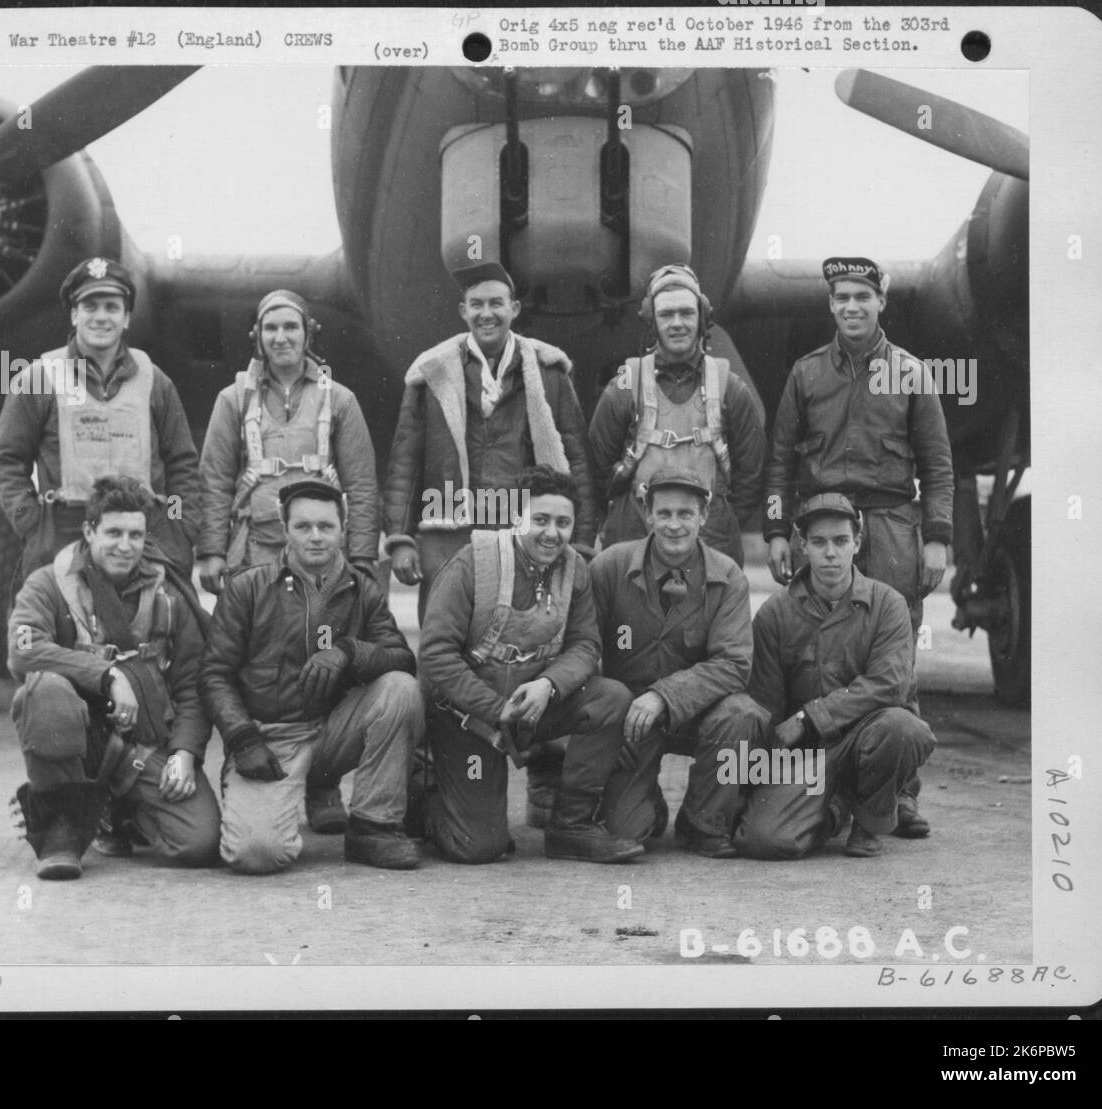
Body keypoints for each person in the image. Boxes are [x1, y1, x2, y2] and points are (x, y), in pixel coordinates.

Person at [762, 256, 953, 838]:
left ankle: (901, 794)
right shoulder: (806, 374)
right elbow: (780, 459)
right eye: (841, 297)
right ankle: (815, 774)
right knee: (819, 645)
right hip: (825, 520)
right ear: (830, 304)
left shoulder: (911, 373)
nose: (851, 307)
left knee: (898, 660)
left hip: (891, 521)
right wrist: (775, 529)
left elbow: (938, 465)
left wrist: (937, 538)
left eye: (862, 297)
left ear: (881, 302)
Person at [196, 290, 381, 834]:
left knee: (329, 661)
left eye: (292, 328)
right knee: (259, 665)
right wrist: (210, 548)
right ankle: (249, 759)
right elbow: (213, 479)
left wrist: (364, 557)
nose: (281, 337)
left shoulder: (339, 400)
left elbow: (363, 484)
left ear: (309, 334)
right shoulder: (234, 399)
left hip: (323, 553)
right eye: (271, 328)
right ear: (258, 335)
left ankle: (322, 783)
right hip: (256, 552)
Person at [416, 464, 646, 865]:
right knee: (477, 847)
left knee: (610, 698)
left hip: (532, 704)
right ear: (516, 517)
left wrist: (549, 686)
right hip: (468, 715)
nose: (551, 533)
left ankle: (571, 826)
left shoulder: (575, 569)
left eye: (562, 522)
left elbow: (585, 644)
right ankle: (425, 794)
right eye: (539, 520)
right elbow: (435, 654)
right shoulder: (473, 563)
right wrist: (494, 709)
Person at [198, 479, 424, 874]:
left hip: (335, 732)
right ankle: (271, 798)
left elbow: (402, 659)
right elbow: (214, 674)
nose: (316, 537)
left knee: (401, 690)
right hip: (271, 739)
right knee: (256, 854)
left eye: (326, 526)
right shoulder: (246, 588)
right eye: (303, 527)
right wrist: (241, 737)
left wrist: (350, 652)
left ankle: (374, 826)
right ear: (284, 530)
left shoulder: (363, 589)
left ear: (343, 530)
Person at [7, 476, 220, 880]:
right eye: (114, 533)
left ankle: (119, 810)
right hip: (81, 735)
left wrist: (185, 752)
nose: (126, 545)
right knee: (45, 692)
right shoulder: (48, 583)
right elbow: (22, 649)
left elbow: (194, 680)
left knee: (199, 840)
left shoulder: (168, 591)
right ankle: (60, 824)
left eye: (136, 535)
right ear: (89, 531)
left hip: (138, 743)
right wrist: (106, 674)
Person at [383, 261, 597, 619]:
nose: (487, 314)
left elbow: (576, 459)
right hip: (448, 532)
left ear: (513, 309)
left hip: (522, 531)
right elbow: (405, 462)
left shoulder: (549, 373)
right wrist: (400, 539)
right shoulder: (430, 374)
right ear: (463, 311)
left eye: (496, 303)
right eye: (477, 304)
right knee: (443, 636)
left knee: (521, 637)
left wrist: (584, 542)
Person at [736, 494, 936, 859]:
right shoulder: (774, 615)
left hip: (867, 737)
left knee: (903, 728)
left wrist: (809, 717)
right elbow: (766, 705)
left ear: (857, 544)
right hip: (809, 755)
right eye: (819, 542)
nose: (830, 553)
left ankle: (871, 820)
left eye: (841, 541)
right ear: (803, 546)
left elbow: (890, 684)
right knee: (764, 840)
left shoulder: (888, 604)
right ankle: (836, 809)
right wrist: (762, 781)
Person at [588, 469, 769, 857]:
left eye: (685, 514)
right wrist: (603, 727)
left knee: (742, 713)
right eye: (664, 513)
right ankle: (646, 801)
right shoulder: (610, 567)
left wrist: (663, 697)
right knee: (628, 830)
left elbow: (735, 662)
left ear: (703, 516)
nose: (674, 525)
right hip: (630, 718)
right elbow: (584, 647)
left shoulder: (728, 576)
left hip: (695, 714)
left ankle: (702, 821)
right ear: (647, 514)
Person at [0, 257, 201, 581]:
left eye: (112, 307)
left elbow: (182, 463)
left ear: (126, 317)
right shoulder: (38, 379)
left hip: (145, 535)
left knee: (176, 624)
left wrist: (178, 529)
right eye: (90, 306)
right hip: (64, 534)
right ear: (74, 314)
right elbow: (6, 461)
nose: (101, 317)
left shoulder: (155, 381)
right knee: (45, 626)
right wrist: (33, 524)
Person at [589, 264, 766, 565]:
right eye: (666, 315)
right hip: (635, 537)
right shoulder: (625, 385)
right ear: (651, 321)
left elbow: (751, 474)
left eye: (686, 313)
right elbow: (597, 464)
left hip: (711, 539)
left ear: (703, 317)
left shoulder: (730, 388)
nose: (677, 323)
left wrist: (718, 517)